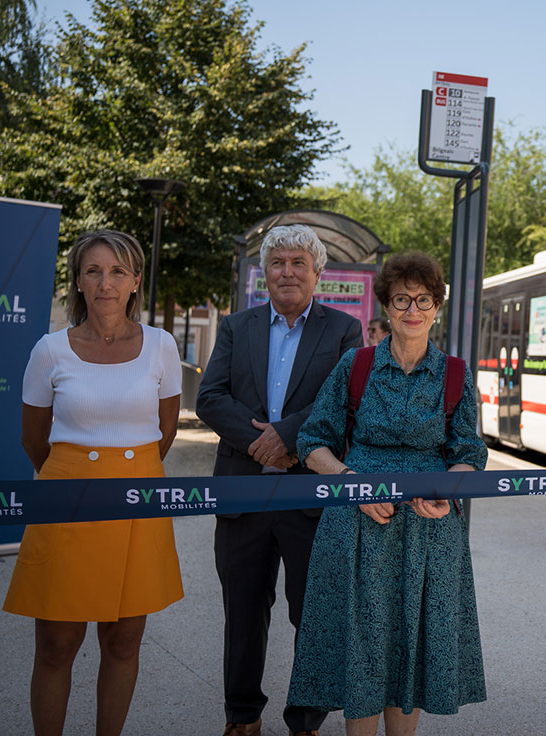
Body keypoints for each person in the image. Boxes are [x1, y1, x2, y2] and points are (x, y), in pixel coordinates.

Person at [288, 251, 487, 736]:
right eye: (402, 300)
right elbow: (312, 442)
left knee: (412, 647)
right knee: (362, 644)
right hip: (358, 527)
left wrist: (447, 493)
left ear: (436, 306)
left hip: (428, 534)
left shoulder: (455, 374)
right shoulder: (355, 366)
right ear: (386, 306)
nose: (412, 310)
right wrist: (353, 484)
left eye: (423, 300)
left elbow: (469, 452)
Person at [4, 229, 184, 736]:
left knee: (123, 642)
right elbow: (33, 438)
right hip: (66, 500)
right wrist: (77, 477)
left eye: (118, 271)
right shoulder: (49, 350)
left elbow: (165, 431)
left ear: (136, 281)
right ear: (78, 282)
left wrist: (126, 476)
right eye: (94, 271)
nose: (106, 283)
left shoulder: (162, 346)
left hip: (138, 498)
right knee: (56, 645)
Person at [196, 224, 362, 736]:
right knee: (243, 613)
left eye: (298, 263)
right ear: (263, 273)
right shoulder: (235, 326)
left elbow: (345, 401)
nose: (287, 272)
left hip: (308, 494)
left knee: (311, 616)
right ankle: (242, 715)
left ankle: (305, 720)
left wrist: (288, 436)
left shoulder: (344, 330)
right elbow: (210, 397)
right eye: (277, 263)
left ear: (318, 273)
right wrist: (260, 443)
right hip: (242, 492)